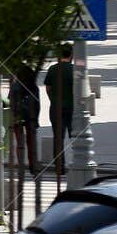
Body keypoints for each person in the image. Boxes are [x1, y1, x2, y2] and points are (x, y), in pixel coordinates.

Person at [43, 44, 75, 173]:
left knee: (58, 138)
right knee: (76, 137)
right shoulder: (75, 70)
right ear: (71, 55)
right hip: (72, 109)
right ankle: (77, 164)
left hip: (56, 108)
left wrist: (53, 99)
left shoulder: (52, 69)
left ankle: (59, 167)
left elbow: (48, 88)